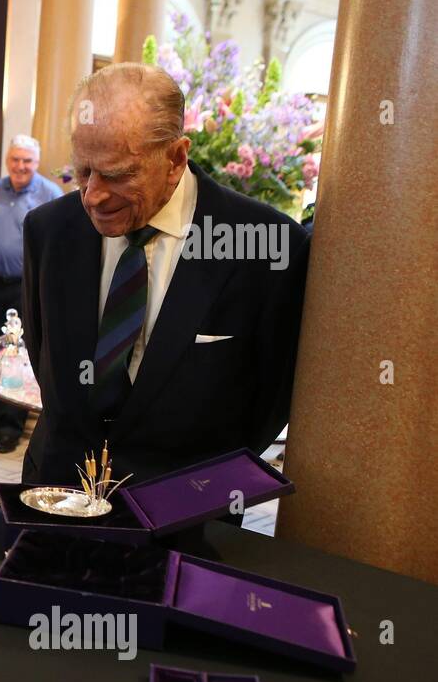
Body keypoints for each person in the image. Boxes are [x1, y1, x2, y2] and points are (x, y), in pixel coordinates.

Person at [21, 63, 309, 487]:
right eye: (84, 170)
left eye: (117, 175)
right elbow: (43, 350)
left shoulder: (266, 244)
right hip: (57, 492)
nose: (93, 196)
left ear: (176, 158)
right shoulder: (48, 230)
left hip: (188, 510)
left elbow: (270, 397)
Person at [0, 135, 63, 454]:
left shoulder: (50, 194)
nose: (21, 166)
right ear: (7, 160)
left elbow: (59, 244)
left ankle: (11, 425)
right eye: (16, 159)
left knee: (19, 353)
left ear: (36, 163)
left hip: (29, 284)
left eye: (27, 160)